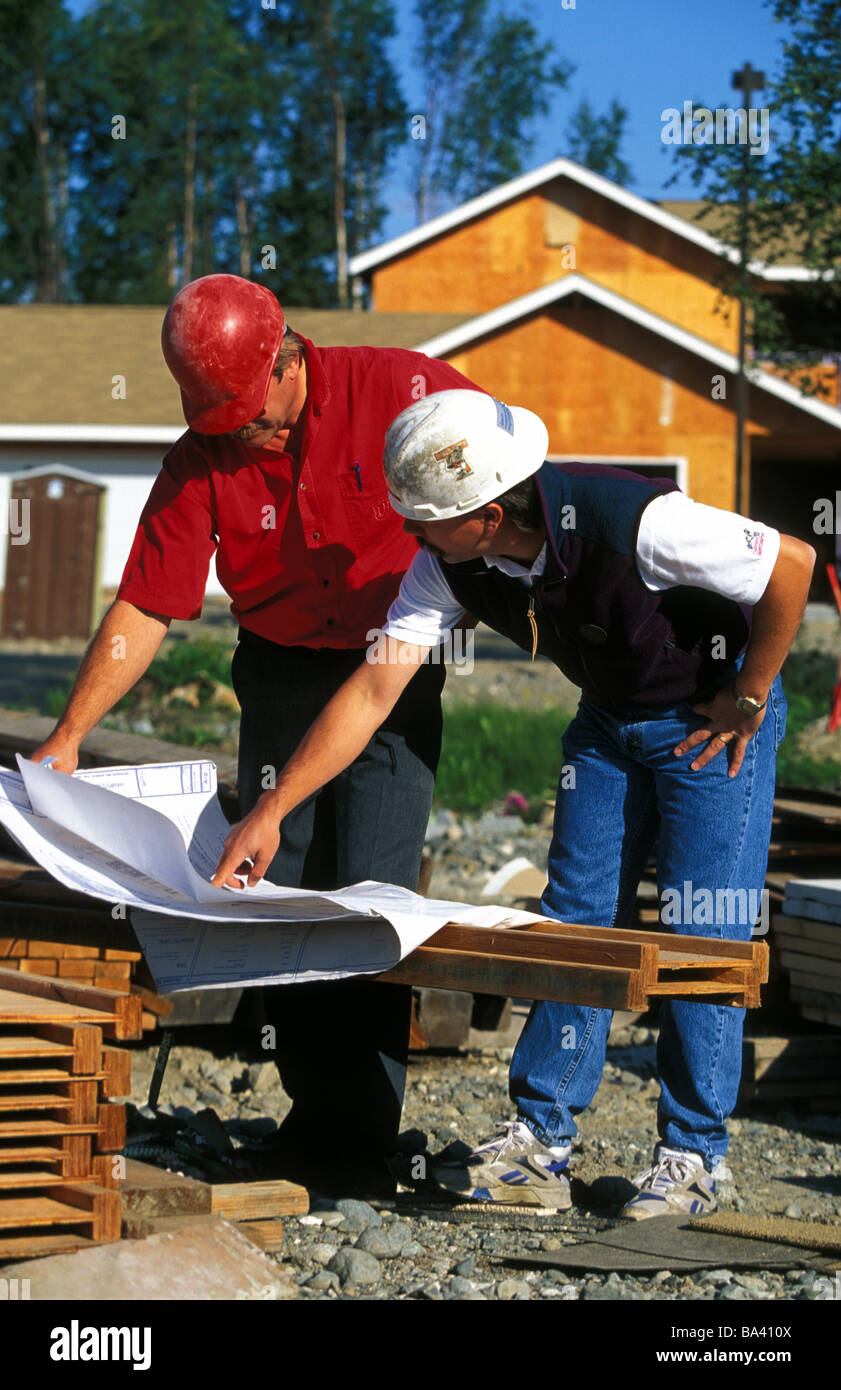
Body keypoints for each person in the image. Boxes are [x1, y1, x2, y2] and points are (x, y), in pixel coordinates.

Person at [212, 387, 815, 1218]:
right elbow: (375, 688)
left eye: (424, 518)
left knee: (699, 925)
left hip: (709, 723)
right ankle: (539, 1142)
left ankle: (692, 1154)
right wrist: (271, 809)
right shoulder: (448, 562)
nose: (410, 535)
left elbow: (790, 563)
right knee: (569, 922)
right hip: (608, 722)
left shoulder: (639, 522)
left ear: (490, 514)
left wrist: (748, 694)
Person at [30, 275, 484, 1197]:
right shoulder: (199, 457)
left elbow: (499, 479)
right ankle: (313, 1117)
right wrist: (68, 735)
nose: (247, 437)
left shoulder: (401, 390)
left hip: (388, 670)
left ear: (290, 357)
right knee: (273, 888)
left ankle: (361, 1137)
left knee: (369, 894)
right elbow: (148, 604)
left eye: (257, 418)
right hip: (278, 671)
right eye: (224, 421)